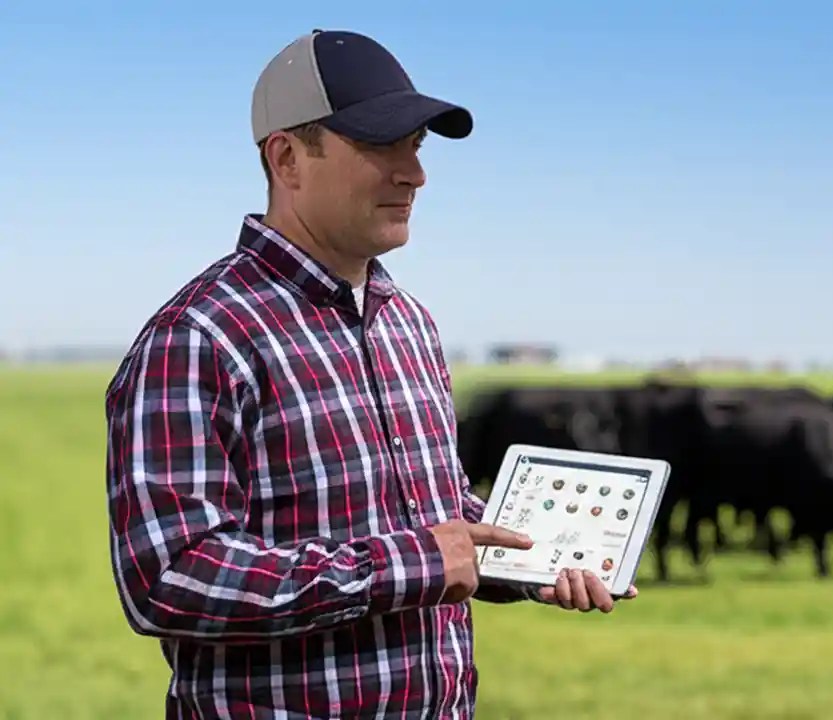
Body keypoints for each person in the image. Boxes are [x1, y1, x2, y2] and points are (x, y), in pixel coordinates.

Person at [103, 28, 635, 719]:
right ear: (287, 158)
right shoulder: (198, 337)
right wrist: (410, 564)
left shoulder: (410, 323)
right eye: (381, 145)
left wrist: (530, 557)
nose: (415, 173)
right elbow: (169, 579)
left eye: (415, 146)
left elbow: (430, 515)